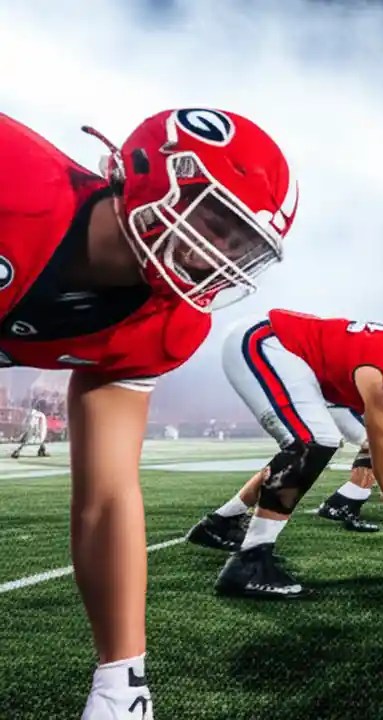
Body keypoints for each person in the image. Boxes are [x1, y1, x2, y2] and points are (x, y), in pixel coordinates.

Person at [0, 108, 296, 719]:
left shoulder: (166, 325)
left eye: (239, 244)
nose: (219, 256)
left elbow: (107, 498)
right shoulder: (15, 180)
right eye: (215, 223)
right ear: (149, 173)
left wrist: (122, 685)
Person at [189, 311, 383, 599]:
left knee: (314, 442)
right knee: (314, 442)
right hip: (269, 344)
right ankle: (250, 563)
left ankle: (221, 522)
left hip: (279, 347)